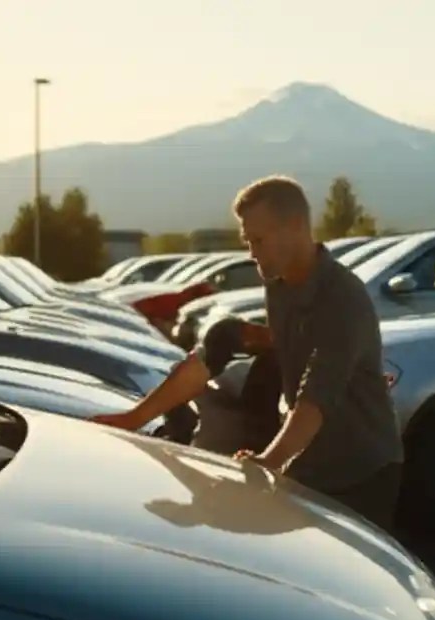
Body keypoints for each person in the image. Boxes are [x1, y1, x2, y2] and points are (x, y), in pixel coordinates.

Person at [89, 175, 405, 531]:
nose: (251, 253)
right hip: (309, 468)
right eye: (247, 241)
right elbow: (217, 362)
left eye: (259, 240)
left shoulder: (343, 298)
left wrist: (268, 463)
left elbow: (313, 400)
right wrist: (132, 419)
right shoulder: (279, 286)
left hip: (360, 477)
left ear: (297, 227)